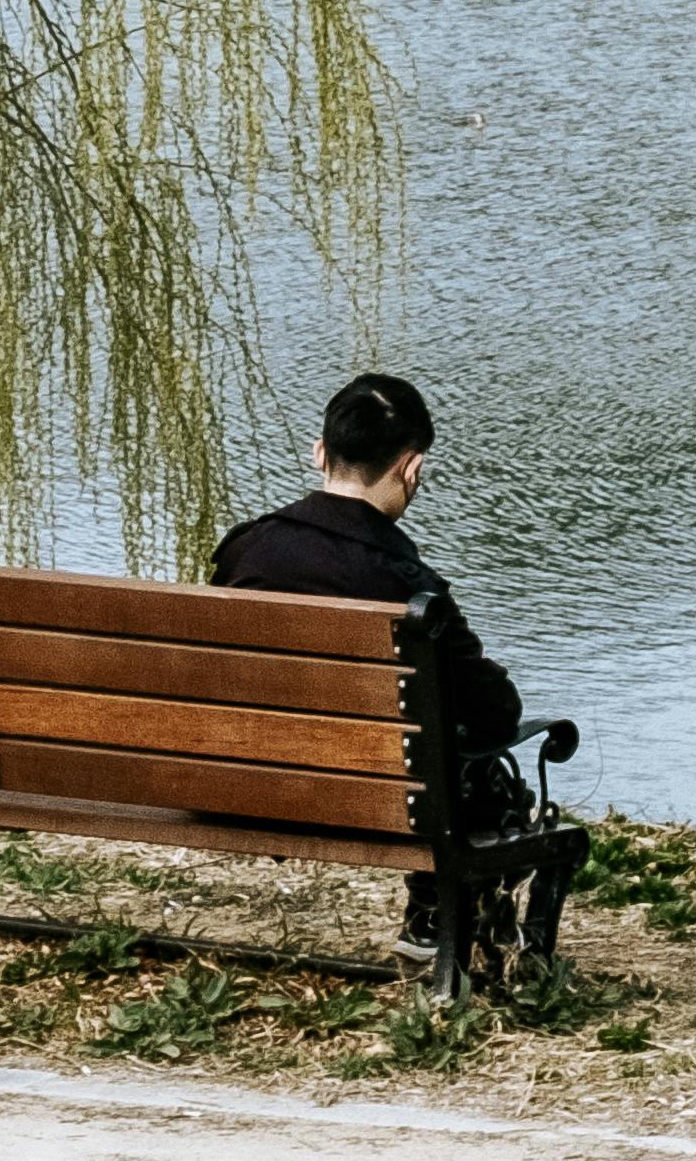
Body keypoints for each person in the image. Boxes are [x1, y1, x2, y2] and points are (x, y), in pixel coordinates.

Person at [213, 371, 553, 957]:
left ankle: (437, 918)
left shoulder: (246, 550)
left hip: (245, 785)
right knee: (481, 768)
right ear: (411, 468)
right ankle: (438, 919)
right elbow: (495, 713)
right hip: (369, 799)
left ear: (321, 453)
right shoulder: (405, 585)